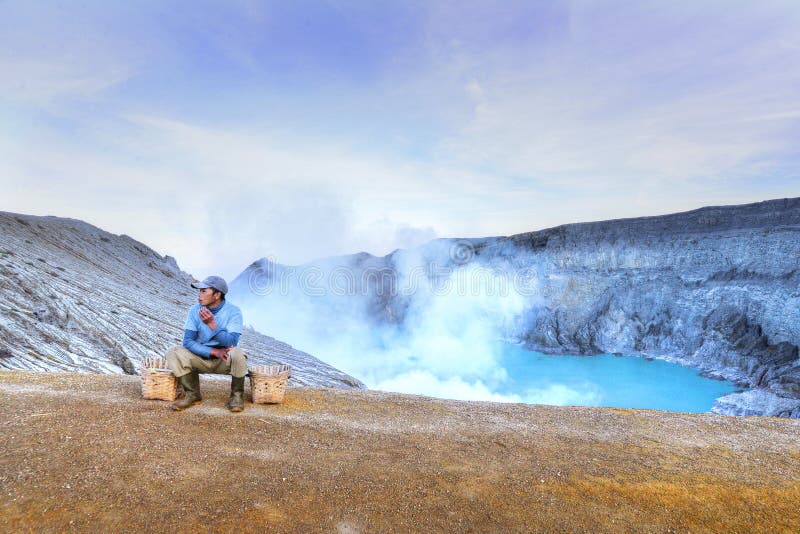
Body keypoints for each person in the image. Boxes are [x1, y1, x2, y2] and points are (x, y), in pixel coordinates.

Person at [165, 275, 247, 412]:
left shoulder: (234, 312)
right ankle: (192, 394)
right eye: (199, 291)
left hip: (224, 360)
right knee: (173, 352)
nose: (199, 295)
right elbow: (188, 342)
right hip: (201, 358)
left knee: (238, 353)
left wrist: (212, 324)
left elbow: (232, 342)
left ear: (217, 295)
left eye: (204, 291)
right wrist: (214, 352)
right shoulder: (194, 310)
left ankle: (237, 396)